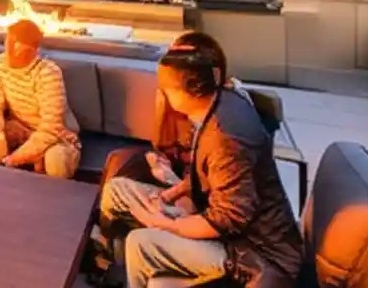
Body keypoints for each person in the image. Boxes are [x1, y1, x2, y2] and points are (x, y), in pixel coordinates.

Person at [100, 43, 302, 288]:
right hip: (214, 217)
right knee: (118, 190)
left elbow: (230, 218)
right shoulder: (217, 104)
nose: (161, 92)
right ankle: (110, 263)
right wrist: (169, 195)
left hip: (249, 250)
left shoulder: (226, 138)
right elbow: (208, 175)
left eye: (166, 87)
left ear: (191, 90)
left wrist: (167, 224)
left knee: (141, 242)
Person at [102, 32, 254, 196]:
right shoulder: (175, 99)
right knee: (119, 162)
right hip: (180, 172)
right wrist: (162, 161)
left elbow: (224, 189)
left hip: (205, 185)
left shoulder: (226, 117)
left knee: (123, 192)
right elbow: (162, 145)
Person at [0, 19, 81, 179]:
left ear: (33, 50)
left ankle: (49, 200)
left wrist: (14, 158)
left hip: (54, 137)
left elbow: (51, 128)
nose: (10, 50)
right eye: (8, 42)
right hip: (17, 127)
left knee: (56, 160)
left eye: (16, 45)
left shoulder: (48, 73)